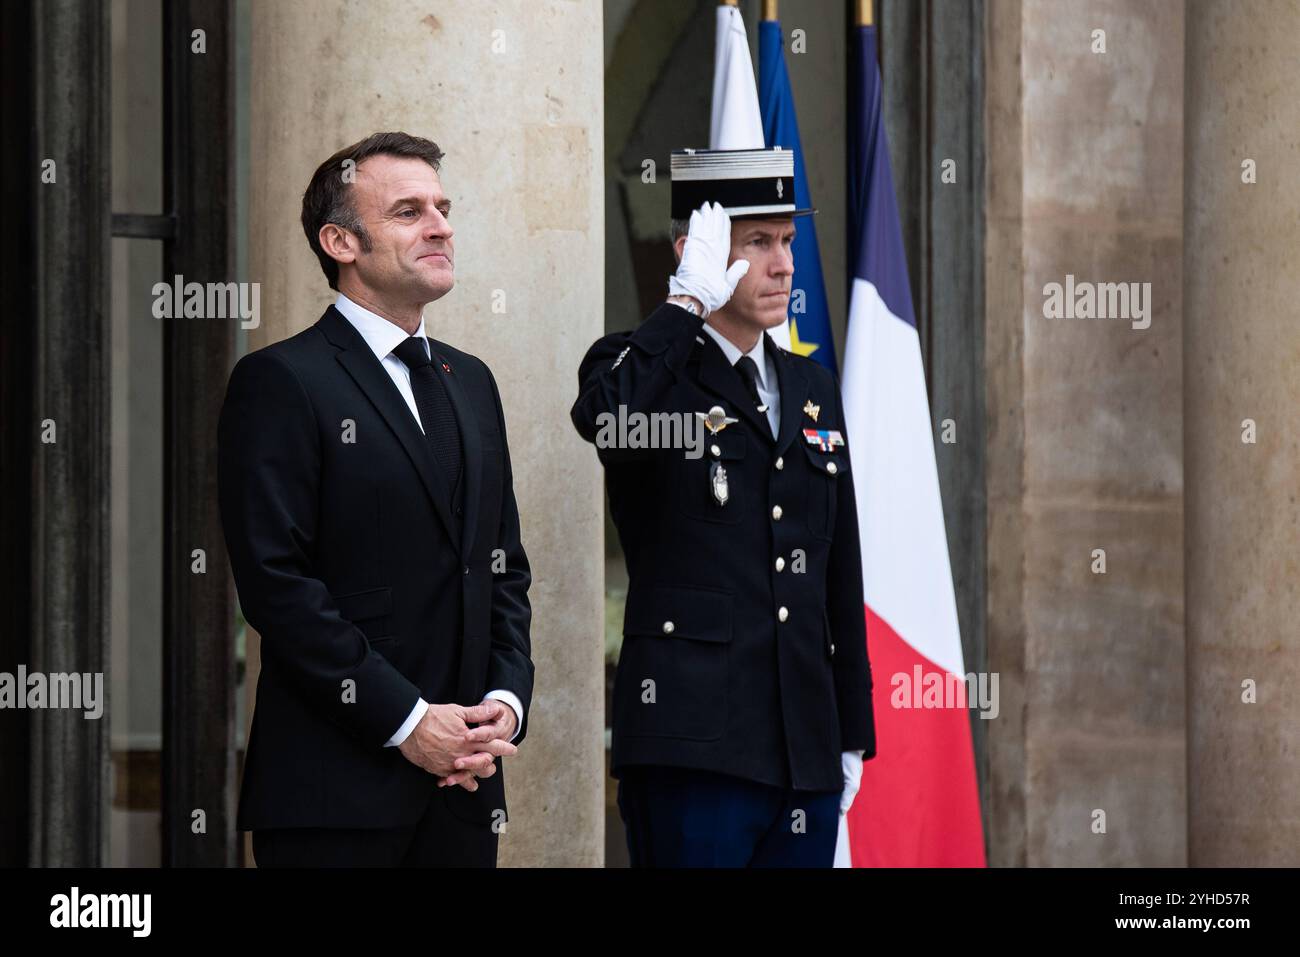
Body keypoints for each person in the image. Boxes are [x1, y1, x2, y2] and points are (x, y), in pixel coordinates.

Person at [218, 131, 533, 867]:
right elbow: (278, 588)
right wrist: (408, 720)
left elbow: (502, 567)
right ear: (340, 241)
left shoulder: (472, 381)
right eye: (408, 211)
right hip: (334, 795)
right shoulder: (281, 381)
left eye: (444, 208)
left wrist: (503, 704)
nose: (440, 226)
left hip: (464, 790)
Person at [572, 147, 876, 867]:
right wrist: (685, 304)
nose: (783, 265)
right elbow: (603, 421)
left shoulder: (810, 386)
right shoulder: (641, 369)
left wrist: (851, 725)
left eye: (789, 242)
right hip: (692, 746)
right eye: (758, 243)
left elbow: (840, 564)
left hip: (803, 746)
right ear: (698, 254)